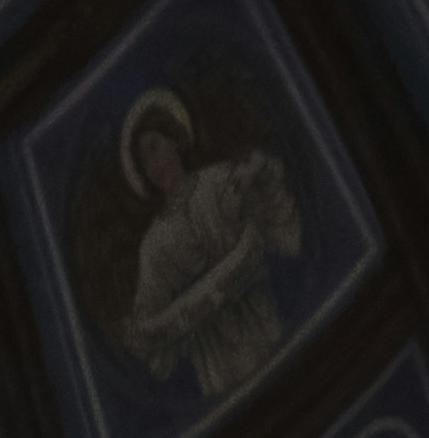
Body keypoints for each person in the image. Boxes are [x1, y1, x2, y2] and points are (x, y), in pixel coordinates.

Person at [115, 89, 302, 407]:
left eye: (154, 147)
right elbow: (149, 314)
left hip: (263, 327)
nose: (153, 165)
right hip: (217, 366)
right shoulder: (153, 245)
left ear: (175, 139)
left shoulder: (220, 181)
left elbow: (269, 226)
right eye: (144, 161)